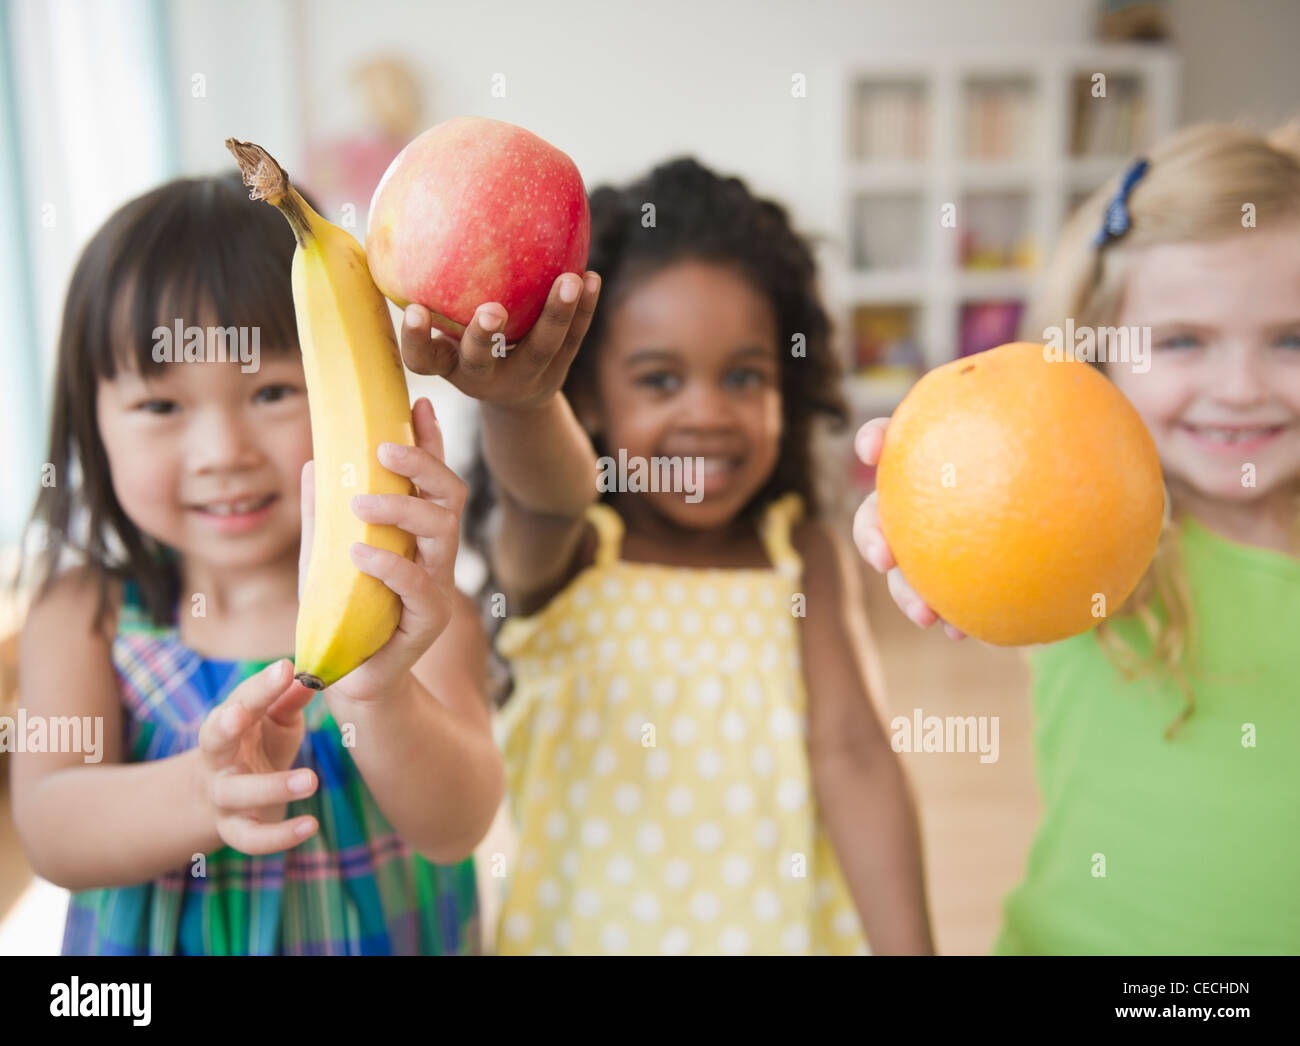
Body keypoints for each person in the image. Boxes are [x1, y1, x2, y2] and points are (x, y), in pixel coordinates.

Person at [399, 157, 935, 955]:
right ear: (589, 400)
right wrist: (525, 401)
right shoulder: (574, 547)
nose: (708, 413)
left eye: (745, 376)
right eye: (659, 380)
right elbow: (546, 495)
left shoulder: (803, 556)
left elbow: (855, 758)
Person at [8, 171, 505, 955]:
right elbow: (51, 830)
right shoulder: (85, 615)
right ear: (89, 418)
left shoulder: (413, 608)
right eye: (161, 406)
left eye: (273, 392)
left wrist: (379, 692)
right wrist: (205, 792)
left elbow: (458, 826)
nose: (223, 455)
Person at [853, 122, 1300, 954]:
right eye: (1183, 342)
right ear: (1097, 359)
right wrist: (924, 502)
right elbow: (994, 527)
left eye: (1292, 339)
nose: (1242, 389)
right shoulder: (1102, 539)